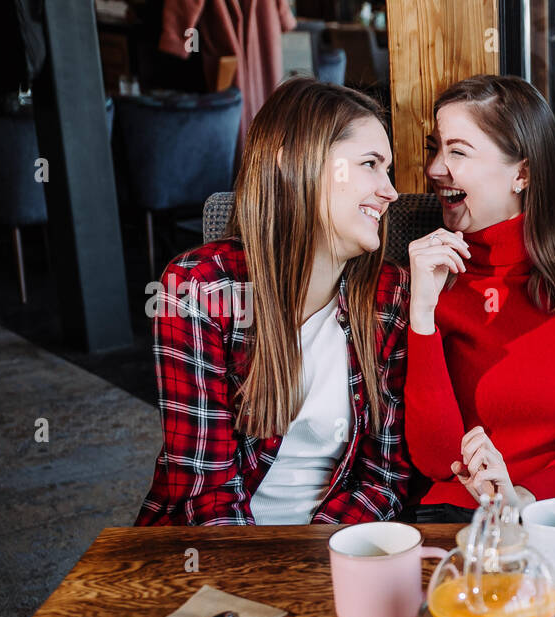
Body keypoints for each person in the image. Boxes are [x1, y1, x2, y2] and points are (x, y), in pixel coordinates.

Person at [137, 78, 410, 525]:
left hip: (334, 551)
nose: (390, 191)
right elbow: (205, 494)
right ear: (293, 164)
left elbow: (384, 479)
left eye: (388, 170)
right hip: (215, 555)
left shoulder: (390, 295)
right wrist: (264, 584)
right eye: (370, 164)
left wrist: (319, 564)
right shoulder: (199, 289)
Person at [403, 75, 555, 520]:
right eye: (435, 149)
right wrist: (422, 314)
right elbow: (435, 460)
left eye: (457, 151)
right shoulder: (424, 281)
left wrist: (524, 497)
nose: (435, 169)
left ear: (521, 173)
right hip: (454, 520)